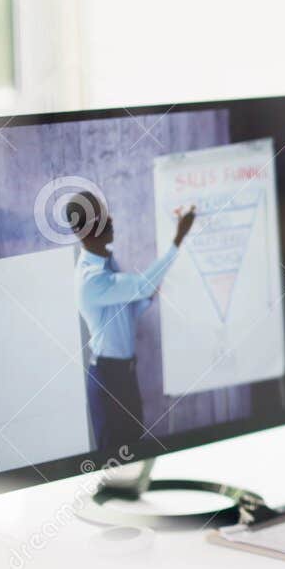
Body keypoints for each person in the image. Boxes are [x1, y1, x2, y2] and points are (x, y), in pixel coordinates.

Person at [66, 189, 198, 455]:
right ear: (85, 232)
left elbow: (123, 314)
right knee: (115, 458)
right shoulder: (91, 279)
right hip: (108, 378)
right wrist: (178, 239)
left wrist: (147, 298)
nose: (111, 219)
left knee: (135, 445)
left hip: (124, 374)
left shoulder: (106, 262)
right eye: (101, 217)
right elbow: (140, 285)